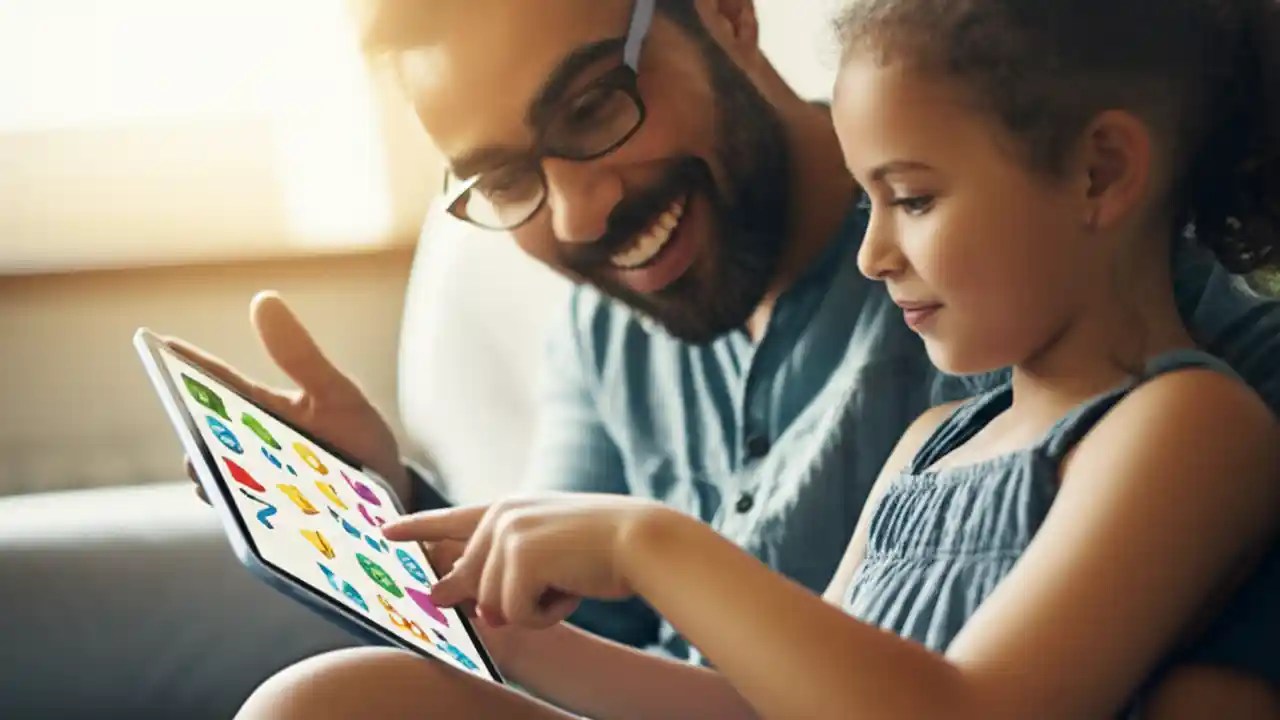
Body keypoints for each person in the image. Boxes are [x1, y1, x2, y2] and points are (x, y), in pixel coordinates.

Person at [172, 0, 1280, 716]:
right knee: (326, 704)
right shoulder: (928, 442)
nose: (873, 247)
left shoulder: (1190, 412)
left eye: (596, 104)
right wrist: (401, 539)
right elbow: (736, 697)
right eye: (509, 178)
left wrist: (653, 546)